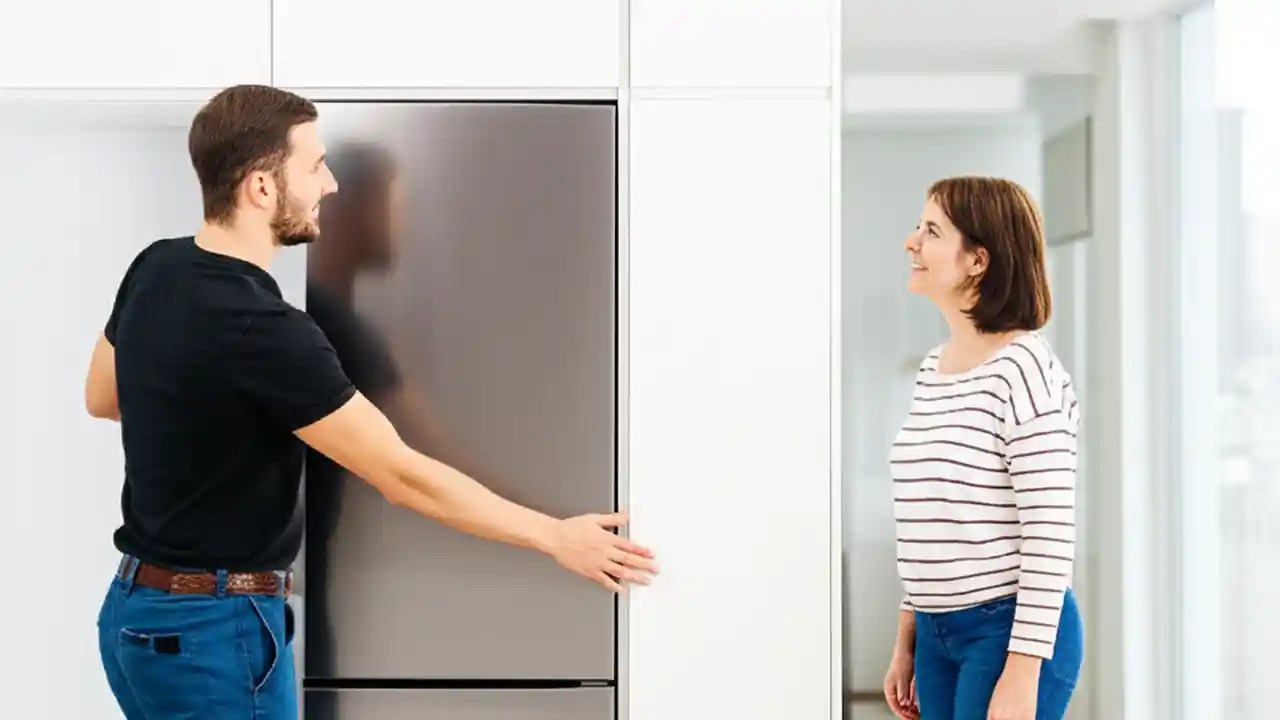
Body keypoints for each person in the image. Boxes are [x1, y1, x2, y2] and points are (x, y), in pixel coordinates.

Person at [86, 84, 657, 720]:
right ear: (262, 187)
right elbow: (401, 476)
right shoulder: (270, 331)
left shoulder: (155, 268)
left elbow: (103, 396)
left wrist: (210, 415)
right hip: (216, 632)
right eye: (314, 165)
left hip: (135, 615)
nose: (329, 184)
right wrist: (555, 535)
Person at [881, 177, 1084, 720]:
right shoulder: (934, 368)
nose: (911, 242)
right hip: (937, 633)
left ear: (978, 260)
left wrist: (1022, 674)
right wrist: (909, 636)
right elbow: (934, 518)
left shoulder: (1025, 370)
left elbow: (1049, 538)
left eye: (931, 230)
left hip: (1009, 632)